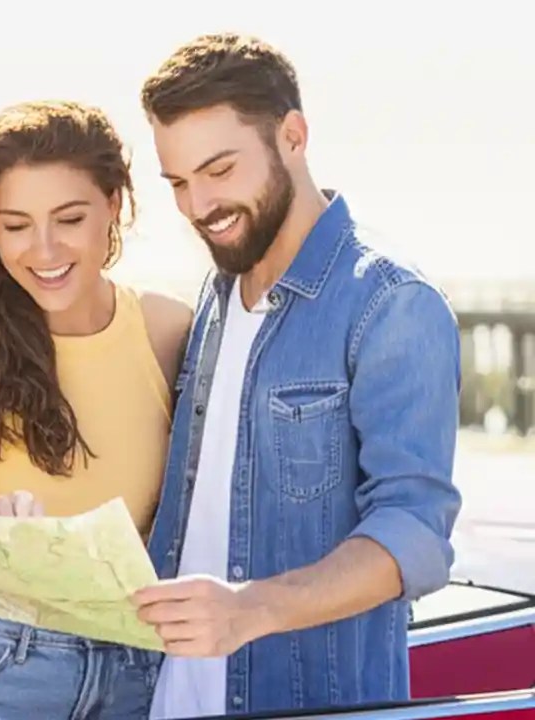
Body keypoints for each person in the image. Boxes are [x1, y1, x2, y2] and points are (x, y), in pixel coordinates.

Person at [126, 33, 463, 717]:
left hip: (302, 701)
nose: (197, 206)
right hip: (162, 699)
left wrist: (253, 610)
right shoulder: (217, 299)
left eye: (220, 170)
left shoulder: (389, 304)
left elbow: (415, 533)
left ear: (293, 136)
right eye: (180, 183)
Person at [0, 99, 193, 719]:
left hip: (140, 670)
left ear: (113, 205)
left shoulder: (166, 331)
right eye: (16, 224)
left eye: (69, 218)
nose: (44, 248)